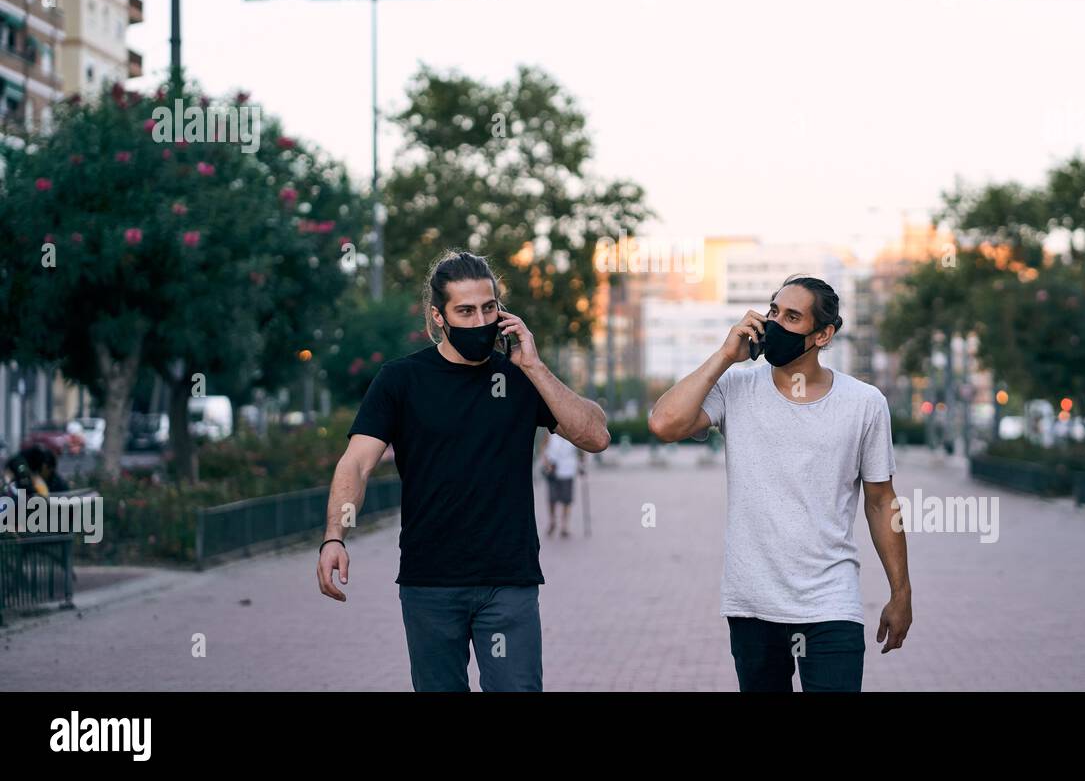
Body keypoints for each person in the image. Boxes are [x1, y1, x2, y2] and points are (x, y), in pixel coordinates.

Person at [316, 250, 611, 691]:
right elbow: (356, 464)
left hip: (508, 583)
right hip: (430, 584)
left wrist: (533, 365)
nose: (480, 321)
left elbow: (595, 435)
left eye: (489, 308)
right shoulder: (401, 380)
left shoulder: (520, 378)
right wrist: (335, 536)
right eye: (465, 311)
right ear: (438, 317)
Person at [648, 275, 913, 692]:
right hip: (753, 603)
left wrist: (901, 592)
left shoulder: (864, 403)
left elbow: (881, 502)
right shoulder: (735, 388)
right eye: (773, 311)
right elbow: (664, 423)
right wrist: (724, 355)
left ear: (823, 334)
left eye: (792, 317)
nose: (775, 323)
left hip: (830, 602)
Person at [538, 431, 584, 538]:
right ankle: (553, 521)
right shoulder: (550, 432)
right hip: (552, 469)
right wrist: (546, 463)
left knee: (566, 499)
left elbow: (581, 449)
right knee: (552, 498)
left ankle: (564, 525)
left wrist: (582, 463)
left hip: (568, 469)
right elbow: (542, 447)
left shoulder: (573, 431)